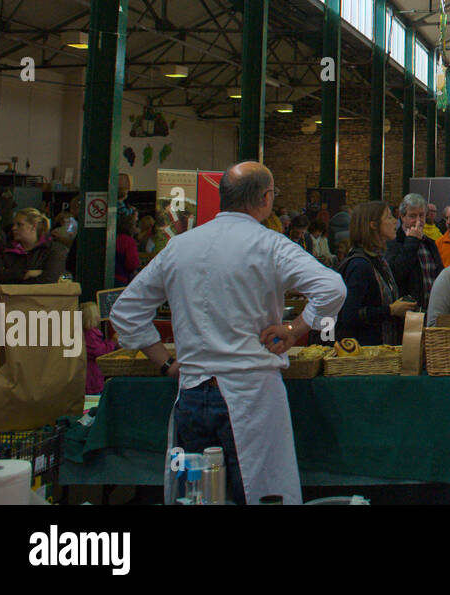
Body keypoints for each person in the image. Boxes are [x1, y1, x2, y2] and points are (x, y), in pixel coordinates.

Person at [109, 161, 346, 506]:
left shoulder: (179, 247)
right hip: (252, 395)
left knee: (198, 498)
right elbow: (332, 287)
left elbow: (125, 311)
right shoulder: (270, 245)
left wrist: (165, 364)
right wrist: (296, 329)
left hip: (193, 391)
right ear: (266, 198)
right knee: (263, 496)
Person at [337, 202, 414, 345]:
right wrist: (390, 310)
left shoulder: (379, 260)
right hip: (366, 353)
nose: (394, 222)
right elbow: (349, 315)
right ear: (373, 225)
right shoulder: (360, 265)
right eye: (389, 218)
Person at [385, 194, 443, 312]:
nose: (418, 221)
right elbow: (396, 274)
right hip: (407, 314)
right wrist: (412, 241)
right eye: (412, 216)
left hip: (431, 310)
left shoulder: (430, 243)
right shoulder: (393, 242)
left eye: (421, 215)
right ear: (402, 216)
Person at [0, 208, 68, 288]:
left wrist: (10, 276)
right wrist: (26, 274)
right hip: (8, 299)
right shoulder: (5, 249)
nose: (13, 228)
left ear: (34, 227)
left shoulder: (55, 250)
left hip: (40, 299)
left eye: (19, 224)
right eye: (14, 224)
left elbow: (49, 281)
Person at [115, 213, 141, 286]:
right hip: (122, 278)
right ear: (131, 227)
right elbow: (132, 264)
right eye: (136, 225)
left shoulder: (116, 238)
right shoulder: (129, 241)